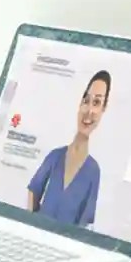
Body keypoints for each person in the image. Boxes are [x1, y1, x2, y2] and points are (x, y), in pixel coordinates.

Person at [25, 71, 111, 228]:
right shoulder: (55, 156)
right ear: (79, 104)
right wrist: (31, 226)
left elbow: (85, 220)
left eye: (97, 103)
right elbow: (34, 190)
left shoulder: (93, 171)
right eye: (86, 100)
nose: (89, 110)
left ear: (104, 109)